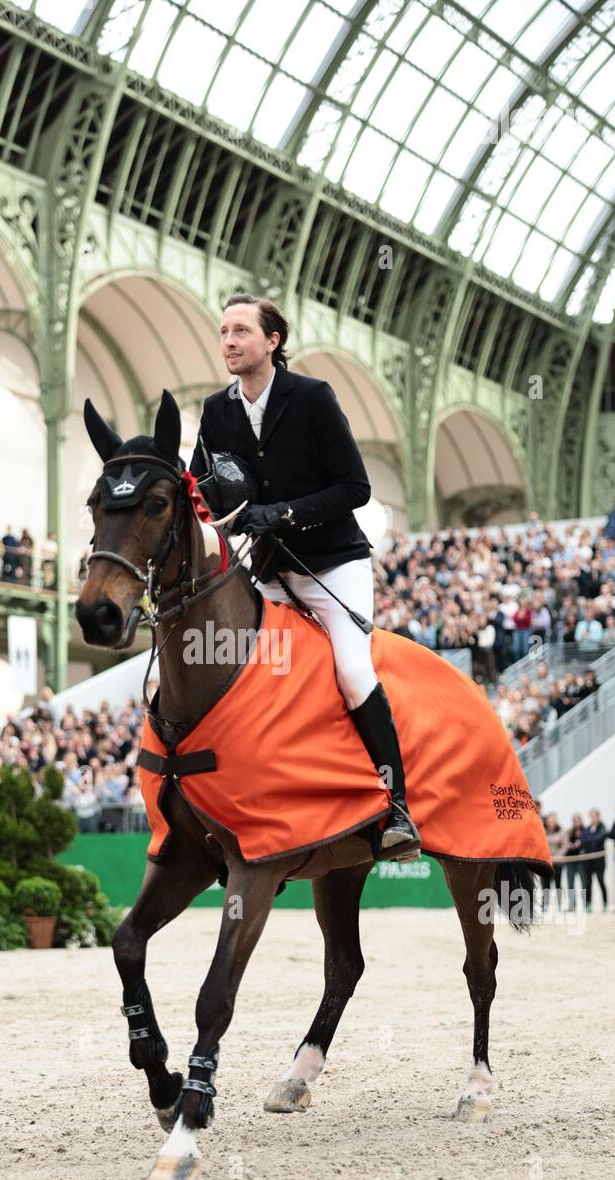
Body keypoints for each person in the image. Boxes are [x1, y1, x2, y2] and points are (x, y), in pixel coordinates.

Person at [190, 292, 418, 859]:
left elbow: (355, 488)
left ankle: (396, 808)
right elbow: (198, 488)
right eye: (223, 332)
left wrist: (286, 513)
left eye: (241, 331)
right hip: (266, 570)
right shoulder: (217, 411)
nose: (229, 342)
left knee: (351, 670)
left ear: (272, 341)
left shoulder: (313, 398)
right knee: (249, 679)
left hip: (333, 565)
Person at [580, 809, 608, 912]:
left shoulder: (602, 827)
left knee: (601, 880)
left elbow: (600, 838)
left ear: (598, 817)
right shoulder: (587, 828)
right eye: (592, 816)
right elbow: (583, 839)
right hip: (588, 860)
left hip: (599, 860)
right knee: (588, 882)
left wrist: (590, 839)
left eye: (595, 816)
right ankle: (588, 904)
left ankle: (605, 903)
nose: (593, 818)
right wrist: (592, 839)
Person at [562, 814, 586, 905]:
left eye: (577, 821)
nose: (576, 823)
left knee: (583, 883)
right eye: (574, 821)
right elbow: (565, 842)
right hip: (570, 860)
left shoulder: (585, 831)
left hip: (581, 861)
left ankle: (584, 903)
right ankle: (572, 904)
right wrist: (569, 844)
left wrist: (581, 841)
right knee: (570, 883)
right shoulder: (570, 832)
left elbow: (586, 842)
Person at [543, 812, 565, 890]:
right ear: (547, 821)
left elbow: (564, 846)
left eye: (553, 820)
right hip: (546, 863)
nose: (552, 822)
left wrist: (558, 855)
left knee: (558, 884)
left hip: (557, 862)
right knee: (546, 885)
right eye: (550, 821)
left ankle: (559, 902)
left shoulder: (561, 831)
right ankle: (546, 902)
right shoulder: (542, 831)